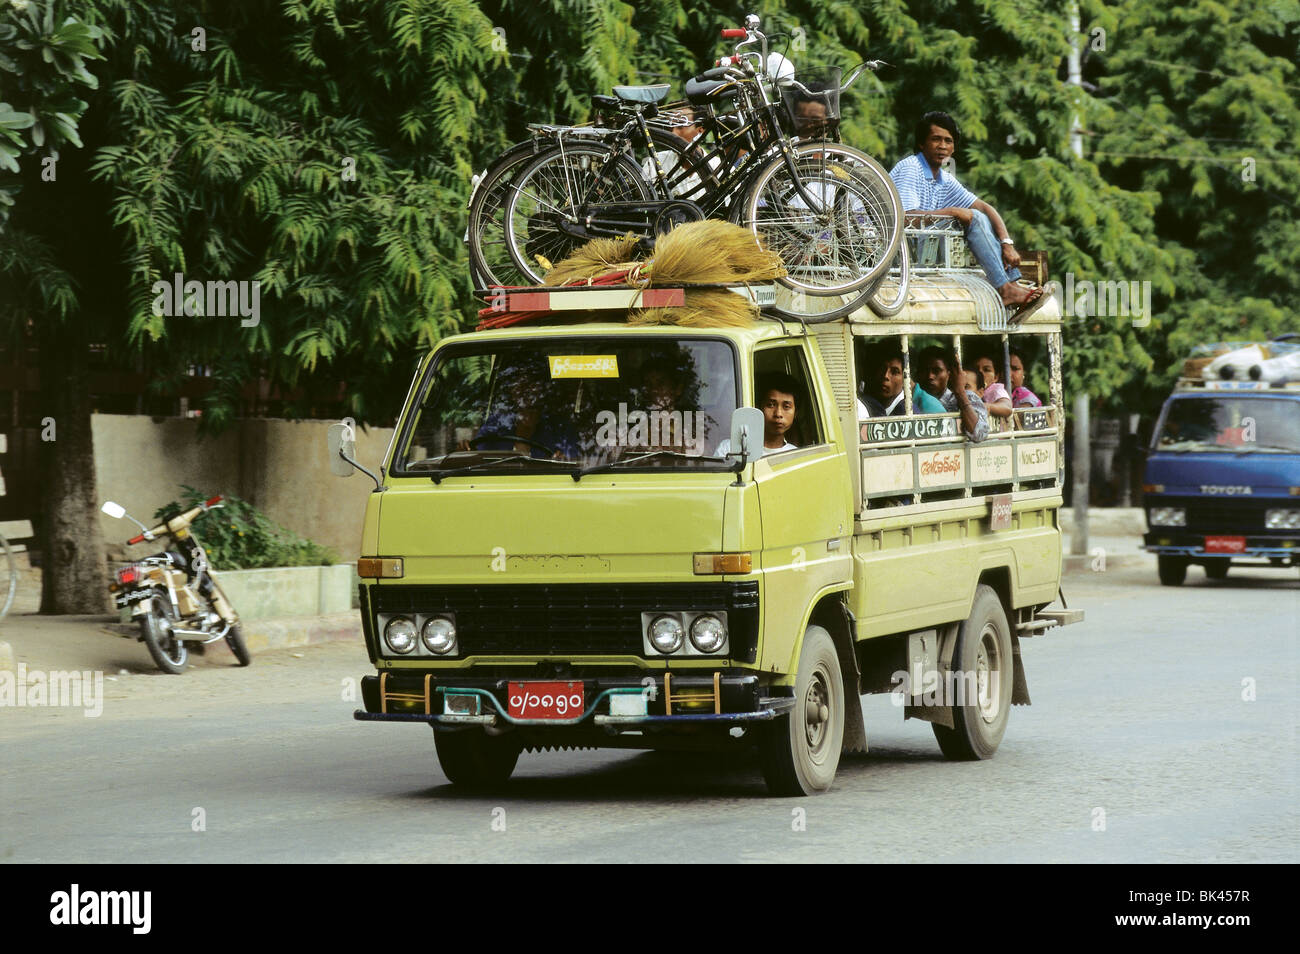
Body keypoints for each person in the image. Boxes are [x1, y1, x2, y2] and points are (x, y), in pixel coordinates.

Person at [889, 111, 1046, 318]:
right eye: (936, 139)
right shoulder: (911, 168)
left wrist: (1007, 243)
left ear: (953, 147)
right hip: (895, 250)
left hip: (922, 247)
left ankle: (1011, 283)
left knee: (977, 216)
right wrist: (953, 211)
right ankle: (1006, 288)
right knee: (973, 217)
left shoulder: (943, 178)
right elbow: (906, 218)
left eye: (948, 141)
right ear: (921, 144)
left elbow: (986, 208)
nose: (942, 146)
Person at [716, 373, 799, 457]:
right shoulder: (729, 449)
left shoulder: (798, 456)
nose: (778, 414)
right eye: (771, 405)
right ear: (758, 408)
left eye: (786, 407)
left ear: (795, 413)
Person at [917, 345, 988, 442]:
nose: (930, 376)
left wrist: (960, 392)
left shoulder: (966, 397)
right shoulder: (910, 401)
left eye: (937, 371)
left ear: (949, 374)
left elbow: (979, 434)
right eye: (924, 370)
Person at [858, 347, 946, 418]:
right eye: (882, 369)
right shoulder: (867, 404)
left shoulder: (908, 411)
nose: (886, 376)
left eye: (895, 372)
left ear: (906, 379)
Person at [973, 353, 1014, 426]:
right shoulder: (971, 389)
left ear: (996, 377)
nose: (980, 372)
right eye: (976, 369)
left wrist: (987, 406)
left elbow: (1007, 407)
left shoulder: (996, 390)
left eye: (986, 370)